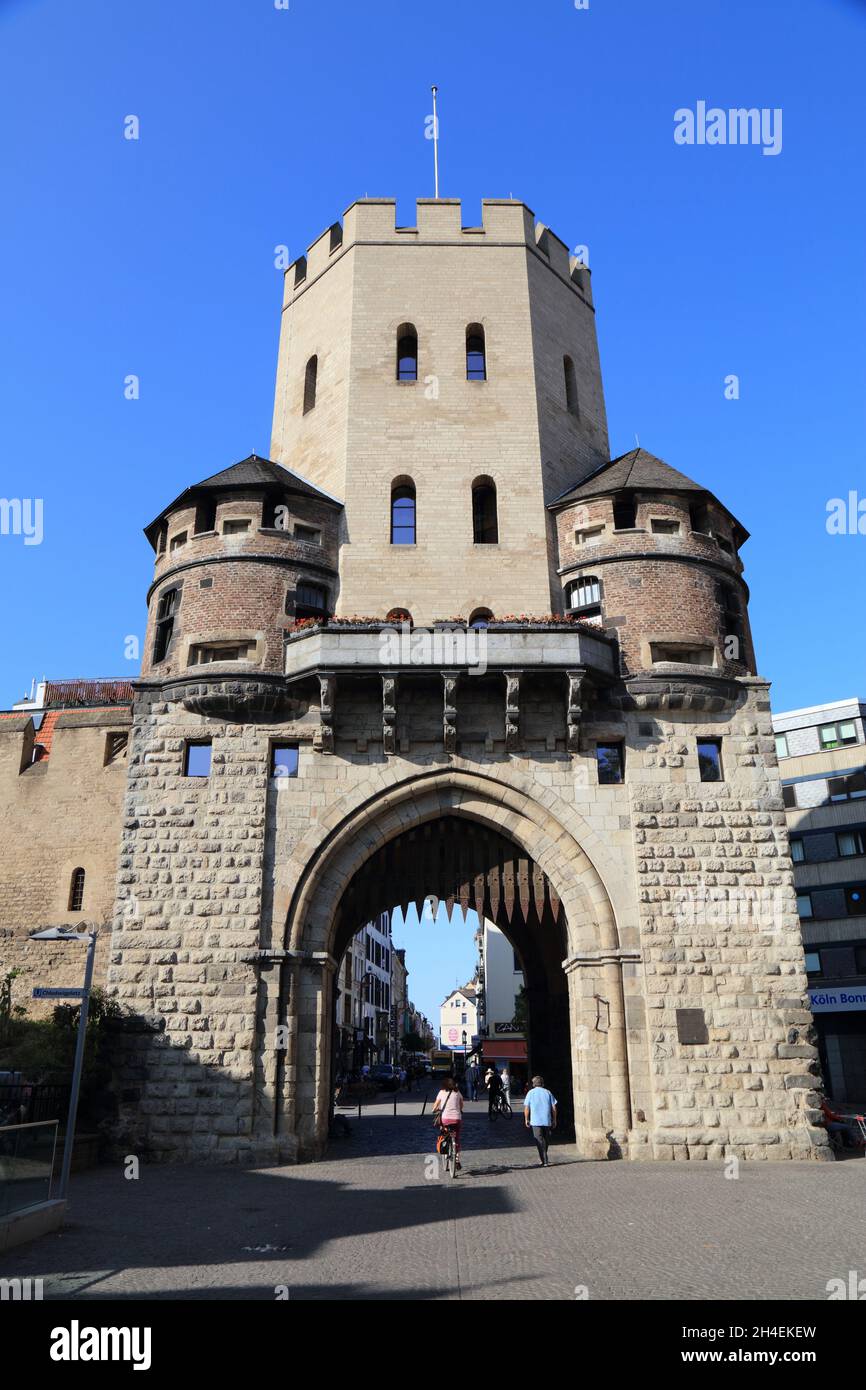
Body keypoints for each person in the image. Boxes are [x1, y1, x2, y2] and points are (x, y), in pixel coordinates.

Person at [523, 1074, 557, 1166]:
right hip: (547, 1120)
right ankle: (544, 1158)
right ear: (542, 1083)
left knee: (539, 1140)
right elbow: (553, 1107)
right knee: (545, 1140)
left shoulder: (530, 1093)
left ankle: (544, 1159)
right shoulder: (548, 1092)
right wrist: (554, 1119)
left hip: (536, 1121)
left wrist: (526, 1119)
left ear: (533, 1084)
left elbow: (527, 1107)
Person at [432, 1075, 464, 1168]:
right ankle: (457, 1159)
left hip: (445, 1119)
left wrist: (434, 1109)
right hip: (457, 1119)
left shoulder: (441, 1092)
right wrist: (459, 1109)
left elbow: (435, 1105)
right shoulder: (458, 1093)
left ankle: (445, 1146)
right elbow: (462, 1104)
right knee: (457, 1137)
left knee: (444, 1131)